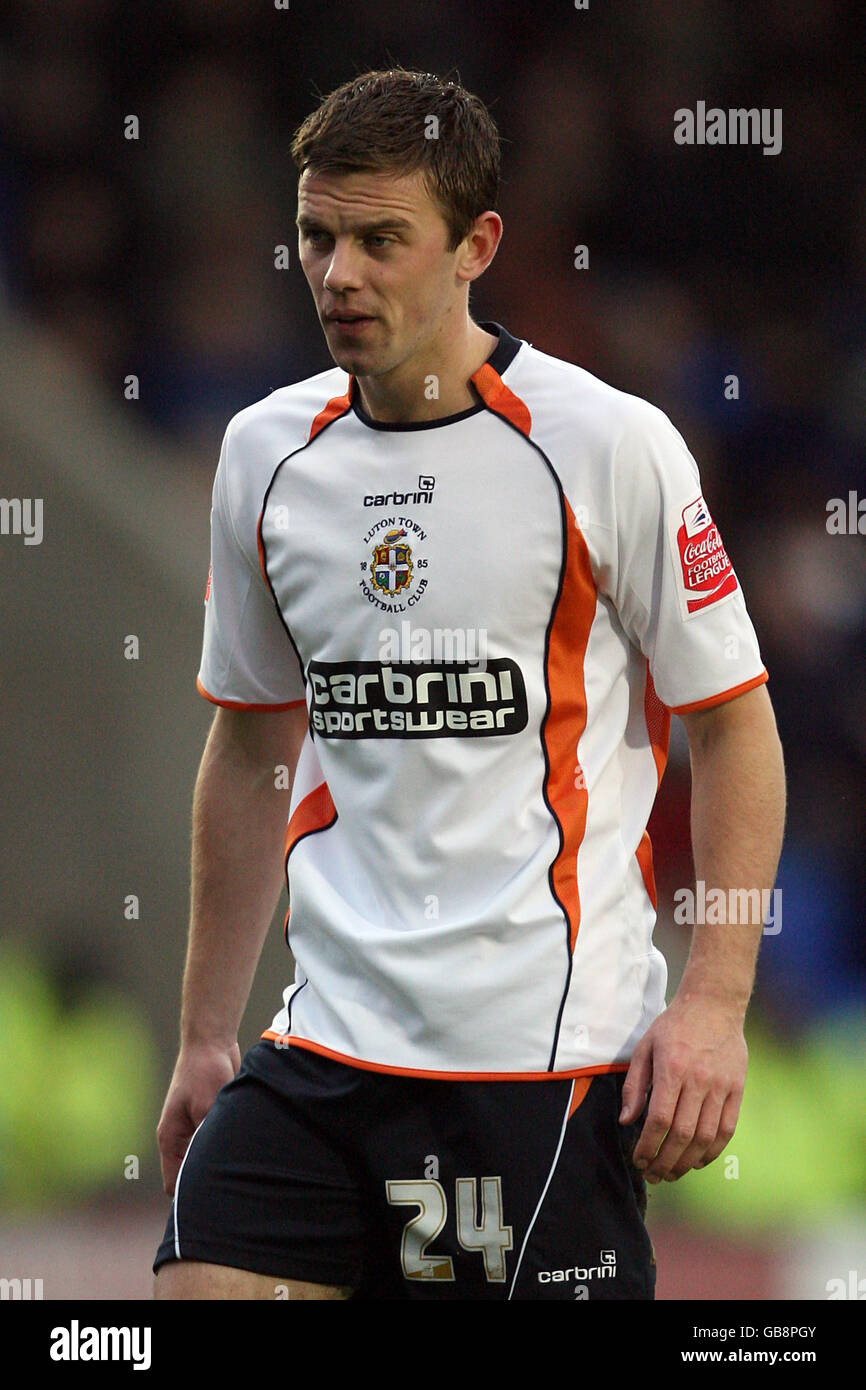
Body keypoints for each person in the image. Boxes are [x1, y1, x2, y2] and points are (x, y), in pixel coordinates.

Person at [153, 67, 786, 1301]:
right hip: (322, 1049)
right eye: (316, 237)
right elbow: (247, 748)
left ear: (473, 247)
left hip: (533, 1067)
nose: (338, 275)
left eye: (380, 240)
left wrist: (713, 1002)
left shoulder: (606, 446)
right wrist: (202, 1032)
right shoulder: (265, 455)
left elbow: (734, 724)